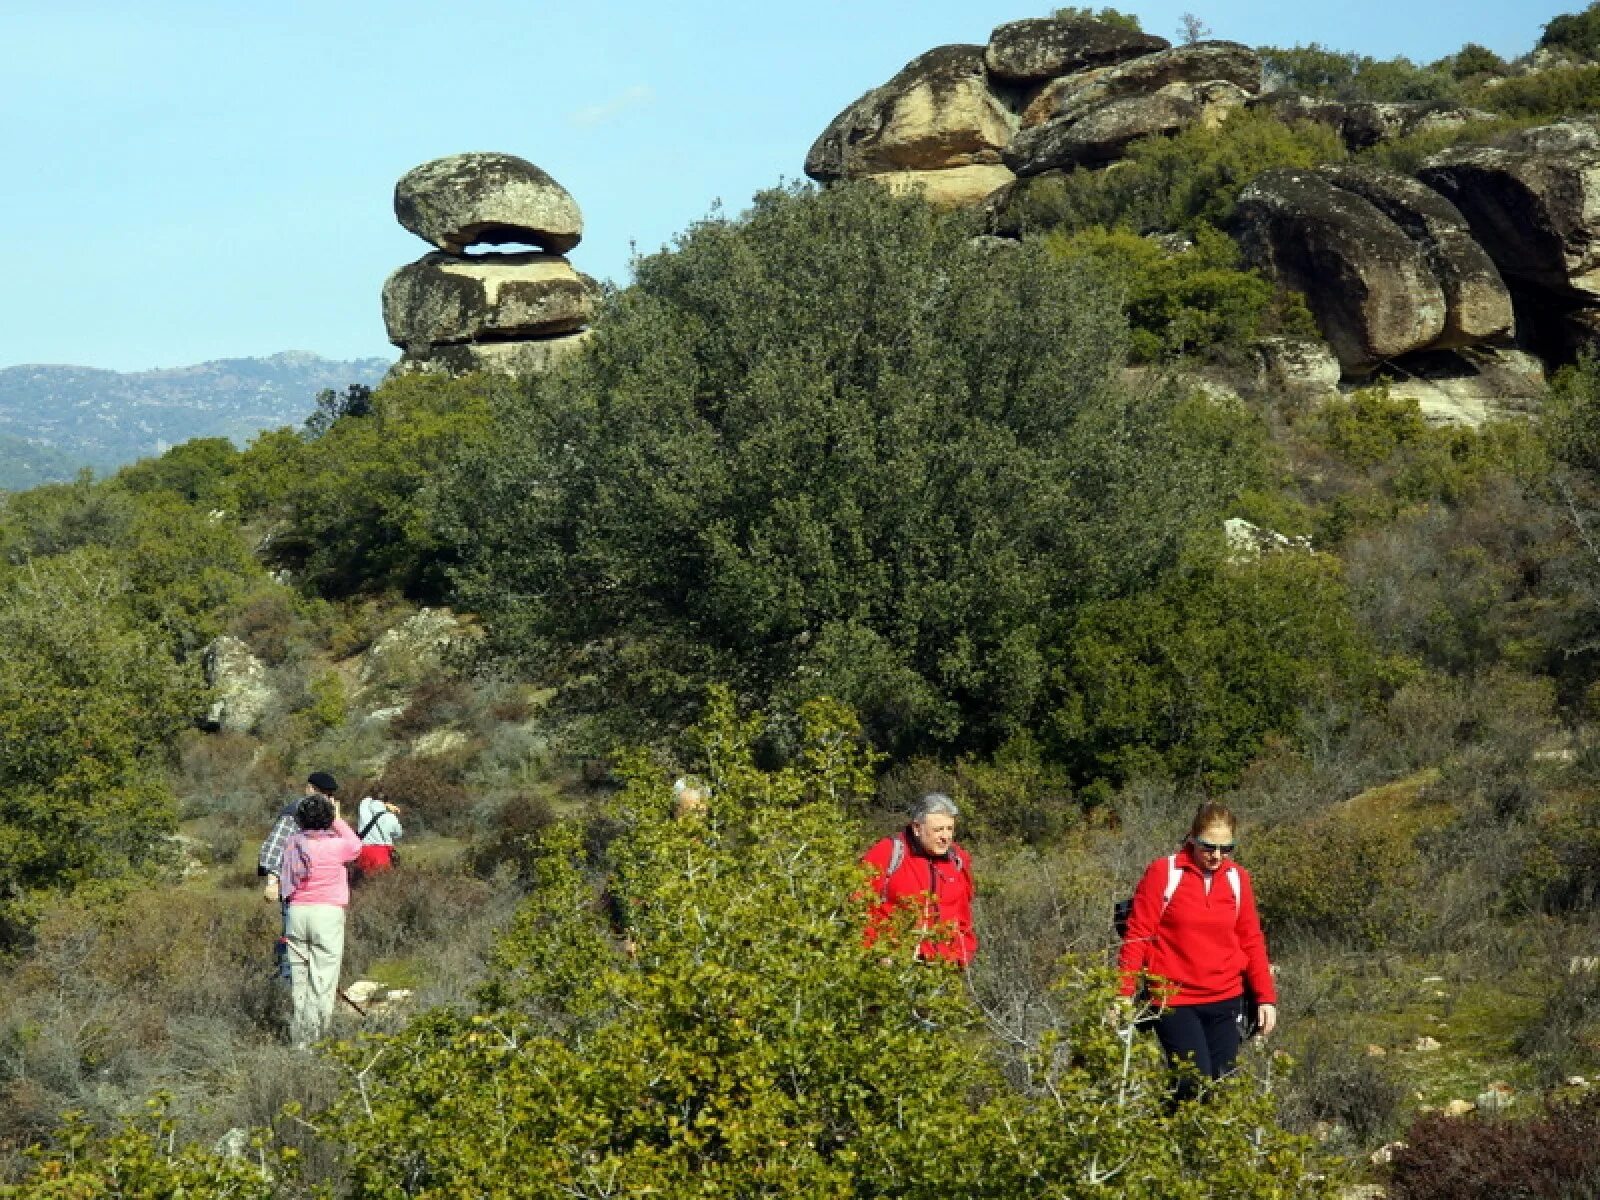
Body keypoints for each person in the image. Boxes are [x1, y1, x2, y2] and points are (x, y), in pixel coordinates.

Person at [1117, 801, 1277, 1103]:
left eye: (1226, 848)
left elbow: (1251, 940)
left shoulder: (1237, 878)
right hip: (1173, 999)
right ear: (1192, 838)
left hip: (1226, 998)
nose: (1217, 855)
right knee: (1191, 1084)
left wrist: (1265, 998)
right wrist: (1123, 993)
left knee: (1220, 1088)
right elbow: (1138, 935)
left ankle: (1187, 1134)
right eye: (1208, 847)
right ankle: (1164, 1131)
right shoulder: (1164, 873)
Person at [280, 792, 362, 1047]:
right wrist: (337, 818)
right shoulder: (336, 846)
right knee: (322, 980)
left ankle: (300, 1042)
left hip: (296, 913)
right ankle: (316, 1041)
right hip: (327, 913)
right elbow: (356, 845)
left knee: (300, 979)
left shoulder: (293, 843)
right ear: (327, 819)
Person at [861, 792, 977, 966]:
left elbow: (963, 918)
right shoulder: (888, 852)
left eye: (949, 829)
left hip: (943, 968)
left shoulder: (957, 860)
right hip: (894, 965)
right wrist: (877, 952)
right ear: (917, 828)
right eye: (938, 830)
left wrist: (962, 957)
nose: (945, 837)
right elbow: (858, 905)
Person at [352, 788, 404, 879]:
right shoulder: (391, 817)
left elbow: (366, 799)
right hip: (382, 852)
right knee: (381, 881)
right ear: (386, 802)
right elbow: (398, 834)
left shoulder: (363, 807)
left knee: (362, 882)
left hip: (364, 851)